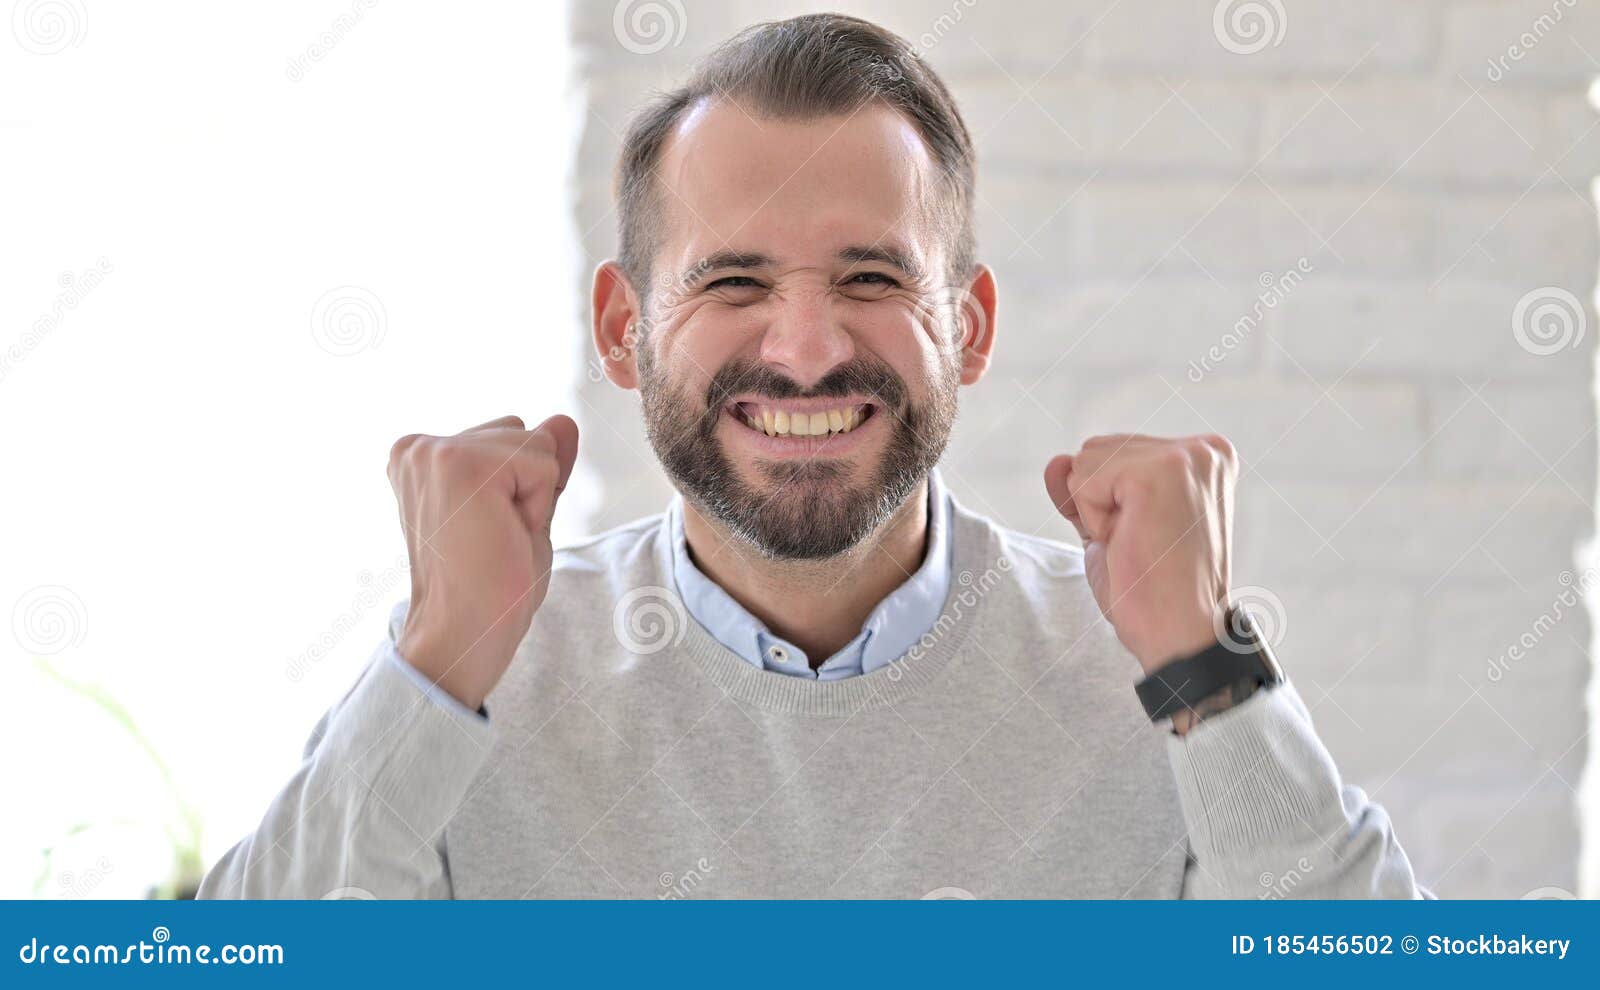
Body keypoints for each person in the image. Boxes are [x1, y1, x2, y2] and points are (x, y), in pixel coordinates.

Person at [201, 13, 1422, 899]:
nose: (805, 350)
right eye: (733, 281)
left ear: (968, 329)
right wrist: (431, 665)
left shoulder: (1157, 675)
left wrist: (1206, 668)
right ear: (623, 331)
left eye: (871, 278)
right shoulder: (476, 676)